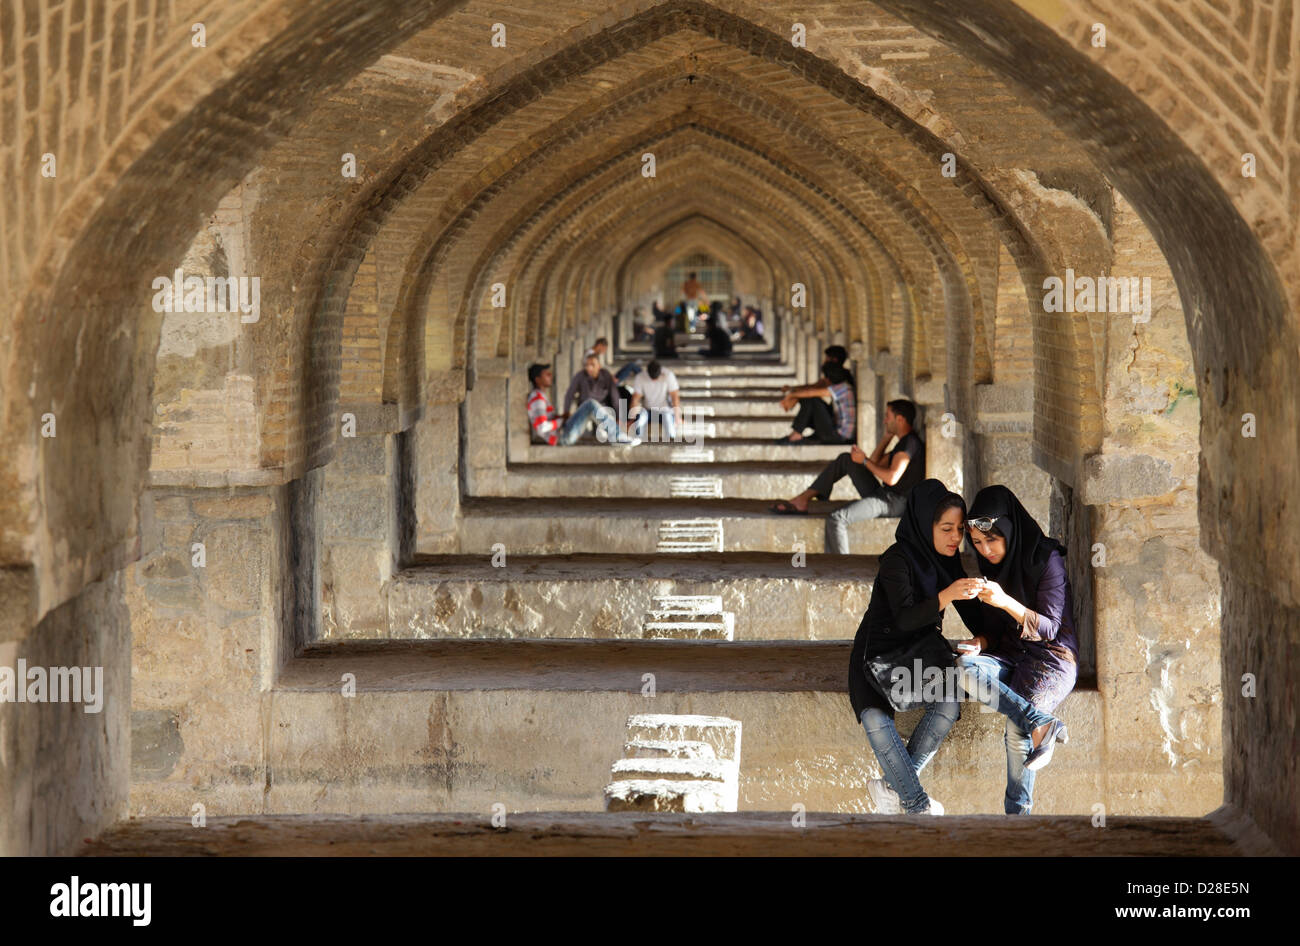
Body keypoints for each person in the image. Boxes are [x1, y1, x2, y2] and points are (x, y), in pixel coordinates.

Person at [849, 479, 986, 815]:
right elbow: (904, 618)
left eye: (960, 530)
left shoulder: (948, 562)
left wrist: (984, 638)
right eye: (946, 529)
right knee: (875, 717)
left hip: (921, 652)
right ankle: (916, 804)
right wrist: (947, 594)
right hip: (878, 655)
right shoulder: (896, 559)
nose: (955, 538)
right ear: (926, 525)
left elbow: (975, 616)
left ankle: (890, 787)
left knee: (948, 705)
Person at [954, 485, 1077, 814]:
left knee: (1016, 728)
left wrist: (1005, 601)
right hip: (1009, 655)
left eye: (991, 540)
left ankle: (1018, 817)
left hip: (1051, 658)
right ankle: (1042, 723)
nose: (985, 550)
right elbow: (996, 631)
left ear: (1009, 529)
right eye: (977, 543)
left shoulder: (1045, 559)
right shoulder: (993, 566)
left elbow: (1049, 628)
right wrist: (980, 643)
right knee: (964, 669)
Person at [769, 399, 924, 554]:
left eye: (887, 416)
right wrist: (885, 438)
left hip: (893, 502)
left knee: (837, 519)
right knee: (846, 459)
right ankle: (803, 499)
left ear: (900, 419)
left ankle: (841, 563)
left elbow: (891, 478)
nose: (884, 421)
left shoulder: (909, 443)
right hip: (886, 495)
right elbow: (875, 462)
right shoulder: (903, 442)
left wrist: (864, 460)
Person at [526, 363, 633, 446]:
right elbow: (542, 427)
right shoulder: (537, 398)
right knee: (590, 404)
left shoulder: (540, 396)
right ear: (538, 380)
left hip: (562, 432)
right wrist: (561, 420)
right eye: (546, 374)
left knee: (590, 406)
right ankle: (618, 436)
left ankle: (617, 434)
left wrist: (562, 417)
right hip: (562, 437)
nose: (550, 375)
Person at [775, 362, 855, 444]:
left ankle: (796, 434)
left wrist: (791, 396)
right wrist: (792, 392)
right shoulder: (843, 387)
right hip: (836, 434)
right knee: (809, 398)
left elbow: (811, 393)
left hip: (839, 437)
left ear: (828, 379)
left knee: (812, 400)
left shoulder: (842, 388)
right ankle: (798, 434)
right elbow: (812, 388)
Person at [629, 359, 683, 441]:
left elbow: (675, 397)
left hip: (664, 410)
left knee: (669, 422)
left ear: (661, 372)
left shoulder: (668, 375)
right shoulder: (640, 377)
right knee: (639, 422)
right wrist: (631, 419)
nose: (653, 380)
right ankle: (638, 441)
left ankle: (672, 441)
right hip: (647, 410)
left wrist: (677, 417)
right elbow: (635, 399)